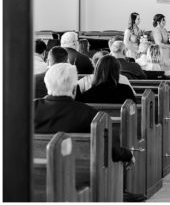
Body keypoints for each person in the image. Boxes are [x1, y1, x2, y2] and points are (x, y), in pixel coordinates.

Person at [33, 63, 143, 202]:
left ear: (46, 84)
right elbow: (111, 150)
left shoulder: (28, 109)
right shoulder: (91, 115)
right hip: (79, 178)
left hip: (29, 175)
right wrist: (128, 155)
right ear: (74, 88)